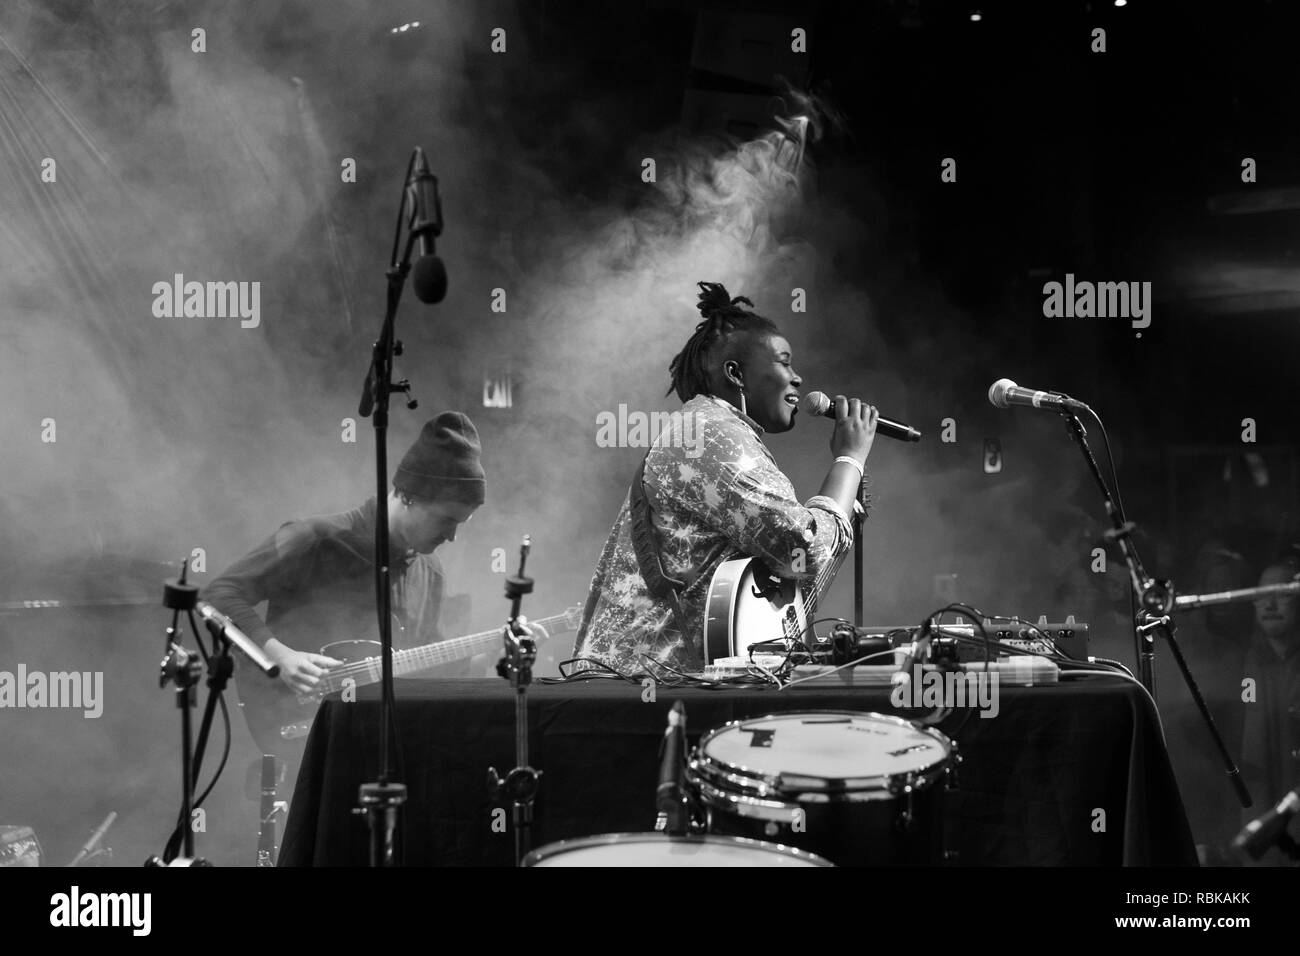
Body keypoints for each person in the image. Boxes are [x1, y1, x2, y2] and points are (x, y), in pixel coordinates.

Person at [571, 281, 878, 675]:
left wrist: (847, 497)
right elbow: (802, 551)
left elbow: (788, 576)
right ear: (735, 373)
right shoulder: (711, 435)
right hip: (640, 689)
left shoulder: (707, 429)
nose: (798, 378)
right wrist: (849, 460)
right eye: (784, 362)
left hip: (650, 684)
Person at [204, 412, 485, 741]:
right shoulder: (316, 538)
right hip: (298, 728)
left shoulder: (431, 572)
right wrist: (278, 655)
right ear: (409, 496)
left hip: (379, 738)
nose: (451, 536)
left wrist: (486, 656)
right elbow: (218, 594)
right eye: (446, 520)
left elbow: (428, 668)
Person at [1238, 549, 1300, 864]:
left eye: (1283, 594)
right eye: (1263, 595)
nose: (1270, 605)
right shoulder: (1244, 661)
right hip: (1261, 831)